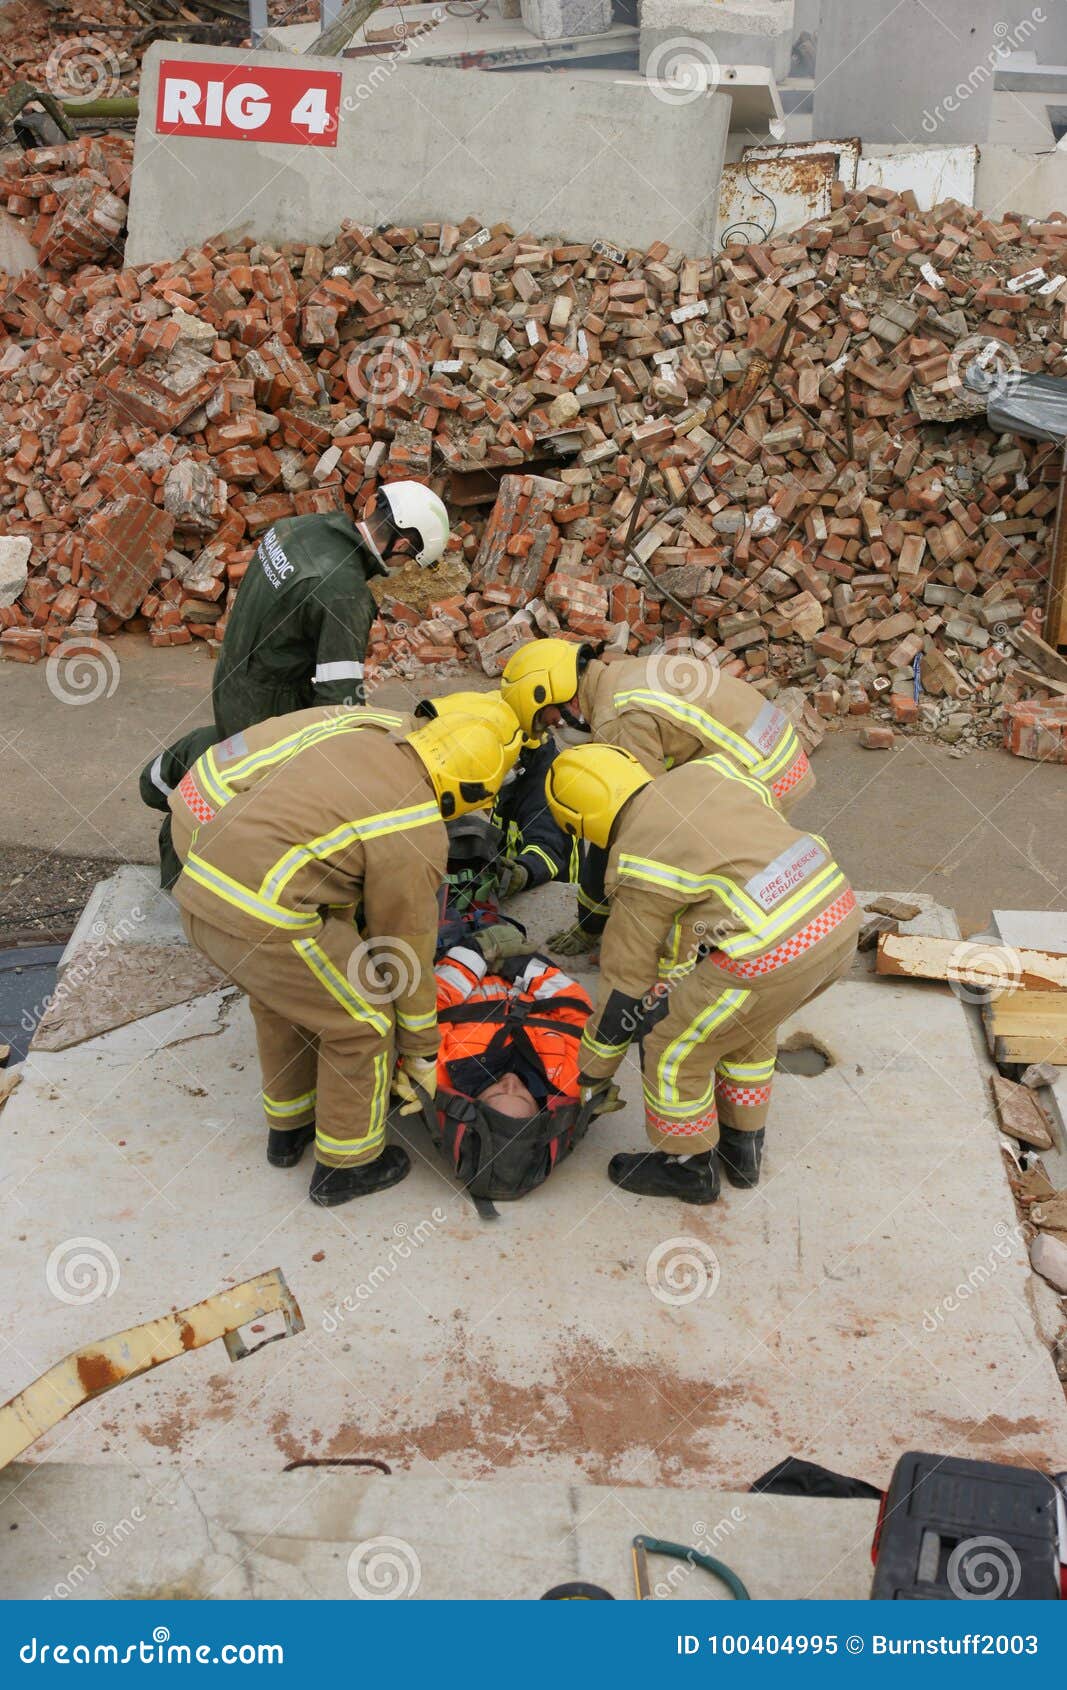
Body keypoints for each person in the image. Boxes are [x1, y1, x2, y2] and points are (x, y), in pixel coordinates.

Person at [168, 704, 522, 1207]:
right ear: (473, 789)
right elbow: (402, 949)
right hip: (266, 916)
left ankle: (289, 1129)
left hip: (203, 890)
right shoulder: (416, 829)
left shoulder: (369, 743)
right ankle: (347, 1167)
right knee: (364, 1022)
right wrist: (420, 1048)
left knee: (285, 1003)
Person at [544, 744, 859, 1205]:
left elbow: (624, 986)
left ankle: (687, 1167)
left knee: (671, 1048)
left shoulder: (636, 857)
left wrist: (592, 1076)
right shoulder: (709, 772)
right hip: (835, 915)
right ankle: (742, 1151)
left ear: (583, 821)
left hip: (766, 951)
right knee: (746, 1027)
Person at [501, 637, 816, 954]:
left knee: (672, 851)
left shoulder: (618, 720)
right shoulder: (620, 676)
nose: (557, 732)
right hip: (780, 756)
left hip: (765, 778)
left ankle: (731, 938)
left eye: (550, 721)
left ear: (566, 700)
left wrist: (591, 924)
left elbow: (639, 822)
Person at [213, 481, 450, 738]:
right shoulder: (345, 593)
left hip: (231, 677)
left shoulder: (300, 526)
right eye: (409, 560)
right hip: (262, 714)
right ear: (401, 545)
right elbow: (338, 699)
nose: (403, 567)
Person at [414, 692, 575, 898]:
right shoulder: (510, 767)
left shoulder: (546, 785)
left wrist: (519, 873)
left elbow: (549, 849)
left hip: (550, 897)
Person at [433, 923, 592, 1119]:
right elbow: (575, 1008)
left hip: (459, 960)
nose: (510, 1084)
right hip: (531, 970)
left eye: (497, 1093)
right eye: (523, 1098)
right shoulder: (569, 1079)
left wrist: (475, 951)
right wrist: (522, 964)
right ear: (539, 1106)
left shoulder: (443, 1071)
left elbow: (430, 1006)